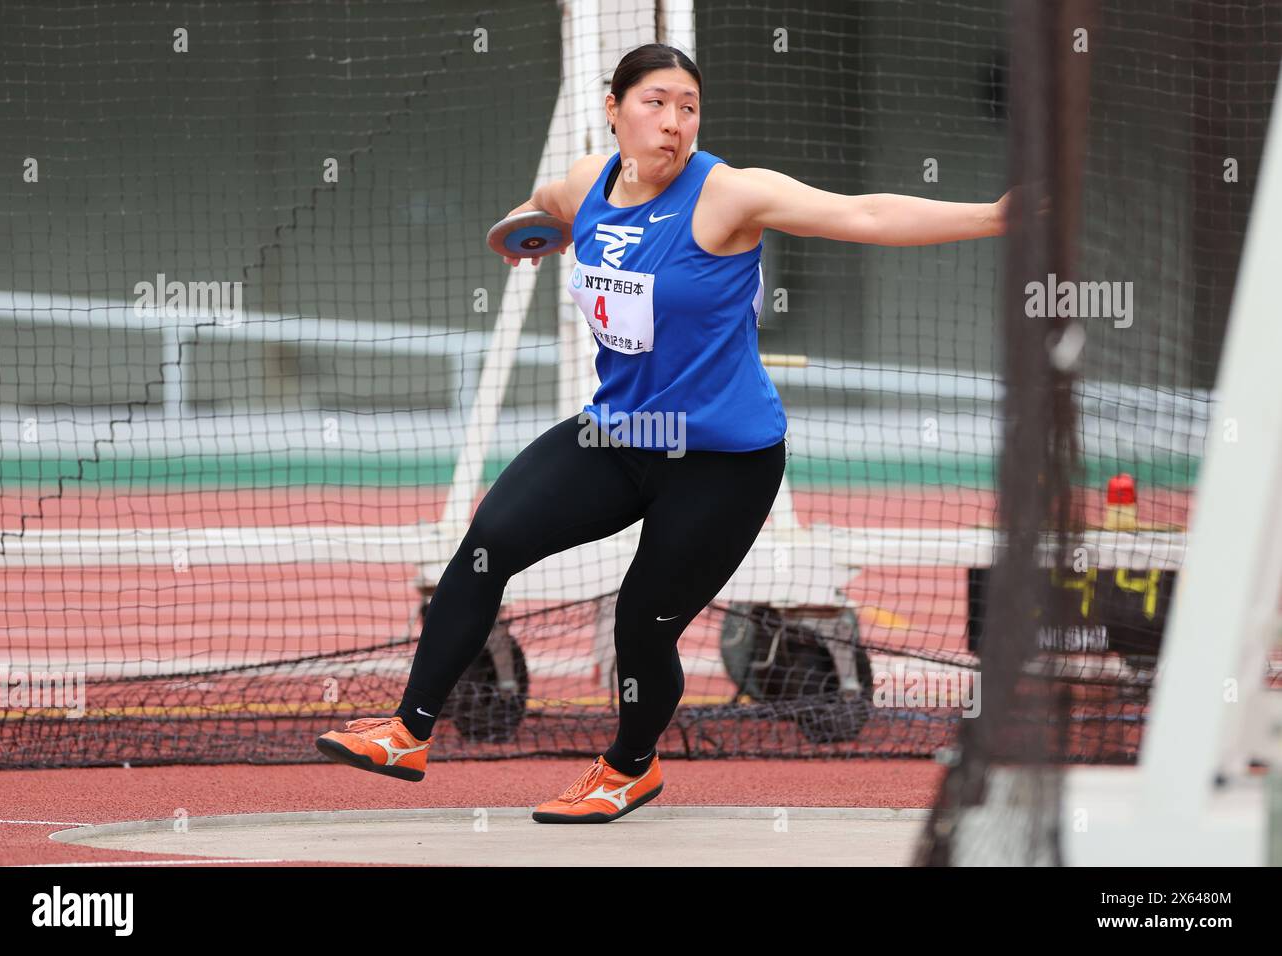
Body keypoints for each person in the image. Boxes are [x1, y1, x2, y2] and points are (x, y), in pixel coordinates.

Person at [316, 42, 1008, 823]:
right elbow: (546, 200)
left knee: (643, 622)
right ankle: (408, 731)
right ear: (614, 111)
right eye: (656, 103)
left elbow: (865, 213)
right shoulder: (591, 181)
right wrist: (526, 230)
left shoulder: (729, 196)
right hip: (619, 435)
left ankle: (629, 767)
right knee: (485, 546)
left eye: (689, 106)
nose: (674, 121)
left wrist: (993, 216)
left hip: (722, 459)